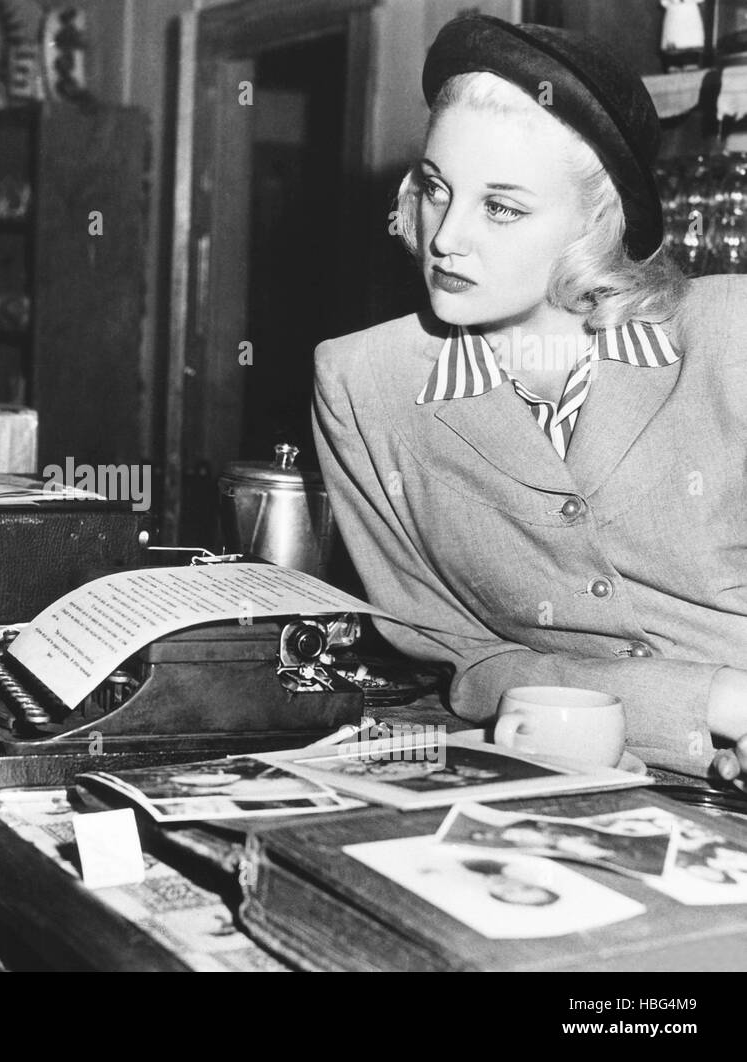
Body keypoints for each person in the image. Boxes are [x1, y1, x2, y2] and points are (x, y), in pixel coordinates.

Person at [312, 14, 747, 782]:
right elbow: (468, 660)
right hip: (559, 783)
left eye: (501, 208)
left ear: (598, 221)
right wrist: (716, 702)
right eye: (437, 189)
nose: (446, 238)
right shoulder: (363, 386)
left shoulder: (731, 338)